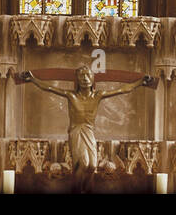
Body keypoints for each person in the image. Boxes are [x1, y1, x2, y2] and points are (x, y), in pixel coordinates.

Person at [18, 64, 155, 185]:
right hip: (76, 131)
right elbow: (49, 88)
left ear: (93, 79)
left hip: (89, 131)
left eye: (88, 75)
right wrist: (33, 79)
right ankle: (77, 189)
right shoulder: (71, 96)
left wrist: (140, 82)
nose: (85, 78)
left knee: (92, 166)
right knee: (82, 163)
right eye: (81, 75)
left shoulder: (98, 95)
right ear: (77, 79)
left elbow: (122, 90)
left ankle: (87, 189)